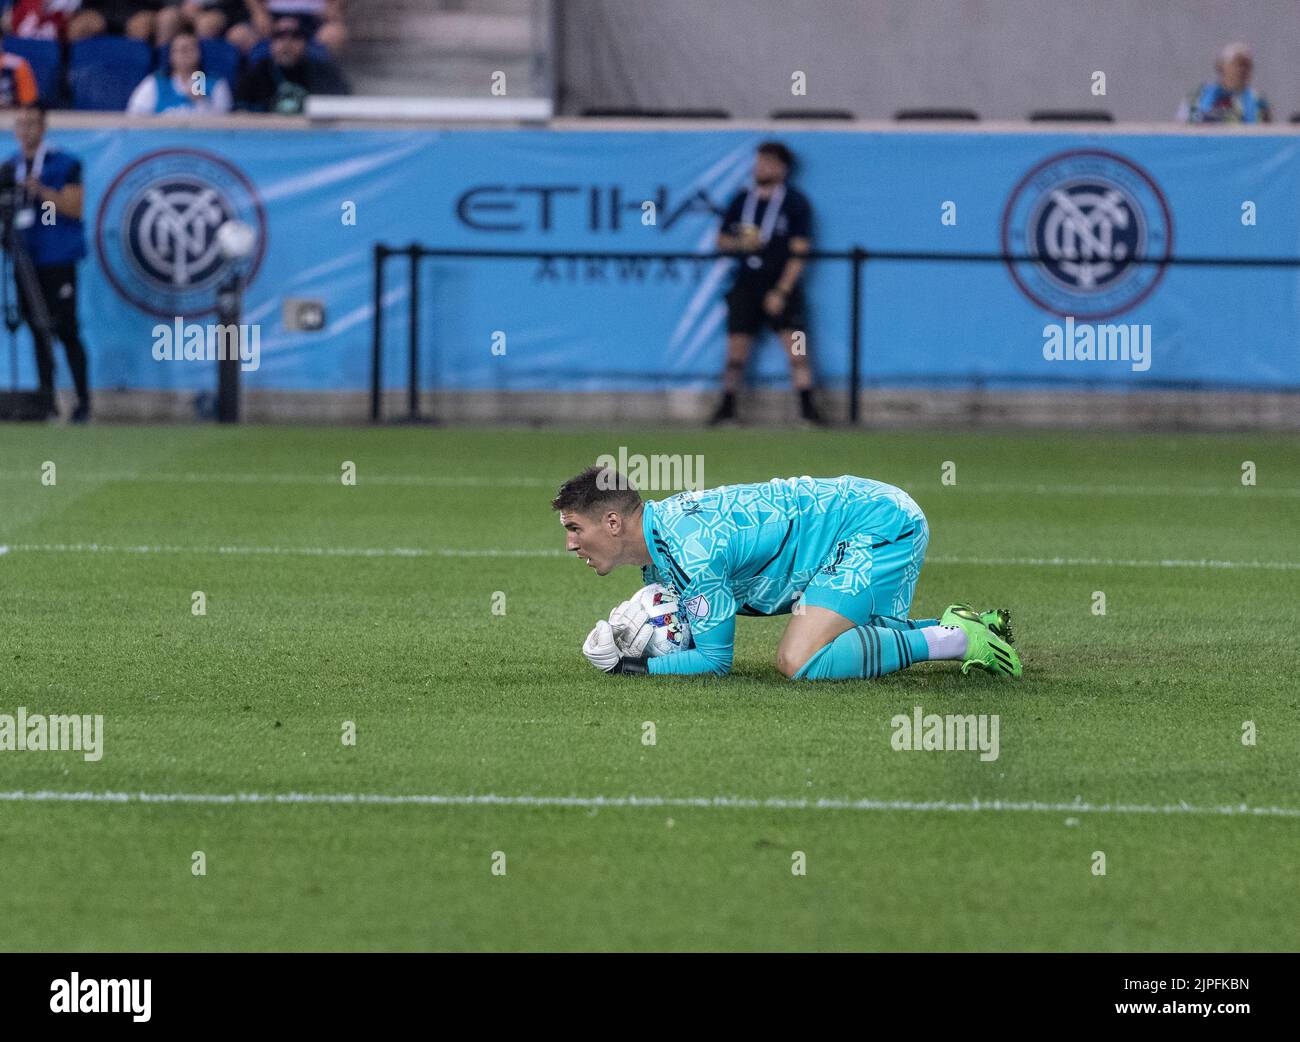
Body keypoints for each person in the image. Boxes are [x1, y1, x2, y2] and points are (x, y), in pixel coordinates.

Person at [555, 465, 1021, 680]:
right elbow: (692, 631)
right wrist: (633, 633)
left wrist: (629, 667)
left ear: (612, 523)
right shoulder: (662, 549)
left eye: (576, 528)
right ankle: (959, 623)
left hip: (876, 522)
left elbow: (716, 663)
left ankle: (959, 641)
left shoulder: (690, 551)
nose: (571, 544)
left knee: (798, 660)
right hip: (860, 518)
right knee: (849, 638)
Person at [710, 141, 822, 426]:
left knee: (797, 351)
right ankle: (727, 410)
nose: (761, 168)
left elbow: (800, 251)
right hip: (746, 284)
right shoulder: (741, 200)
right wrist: (740, 242)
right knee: (735, 352)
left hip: (782, 287)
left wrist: (782, 291)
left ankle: (808, 412)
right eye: (759, 162)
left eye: (768, 163)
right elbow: (721, 240)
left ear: (783, 168)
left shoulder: (795, 202)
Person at [2, 103, 91, 421]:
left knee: (66, 329)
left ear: (44, 128)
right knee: (38, 331)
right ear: (15, 130)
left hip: (58, 258)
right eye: (21, 125)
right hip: (26, 261)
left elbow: (74, 208)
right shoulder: (9, 167)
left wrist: (40, 191)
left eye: (33, 124)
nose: (27, 131)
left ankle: (83, 403)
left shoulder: (63, 164)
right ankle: (46, 403)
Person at [234, 13, 348, 113]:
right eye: (280, 35)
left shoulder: (322, 73)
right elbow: (240, 111)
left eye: (295, 36)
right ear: (271, 43)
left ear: (305, 43)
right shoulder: (257, 73)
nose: (287, 43)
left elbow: (341, 107)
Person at [126, 24, 233, 114]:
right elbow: (135, 116)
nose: (185, 54)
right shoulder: (155, 82)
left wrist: (201, 101)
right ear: (171, 55)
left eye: (190, 49)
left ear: (199, 53)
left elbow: (225, 126)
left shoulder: (216, 83)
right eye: (181, 50)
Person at [1177, 41, 1271, 124]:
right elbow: (1182, 126)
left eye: (1247, 65)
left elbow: (1267, 132)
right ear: (1221, 65)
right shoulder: (1198, 96)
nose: (1243, 69)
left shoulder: (1258, 101)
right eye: (1238, 64)